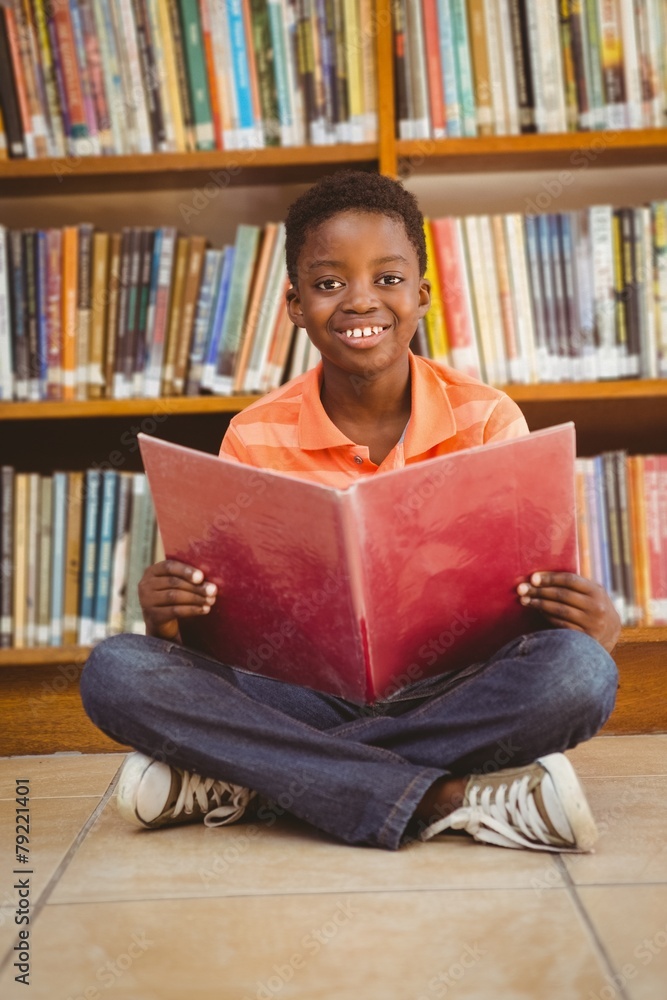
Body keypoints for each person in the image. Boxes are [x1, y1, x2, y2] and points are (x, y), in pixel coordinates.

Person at [80, 171, 621, 853]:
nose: (360, 300)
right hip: (300, 694)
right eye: (329, 283)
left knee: (578, 674)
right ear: (294, 305)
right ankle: (443, 798)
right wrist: (167, 618)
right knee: (117, 672)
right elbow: (228, 633)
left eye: (387, 279)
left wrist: (594, 626)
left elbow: (532, 597)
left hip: (454, 689)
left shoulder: (487, 418)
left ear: (421, 297)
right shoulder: (253, 435)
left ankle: (250, 779)